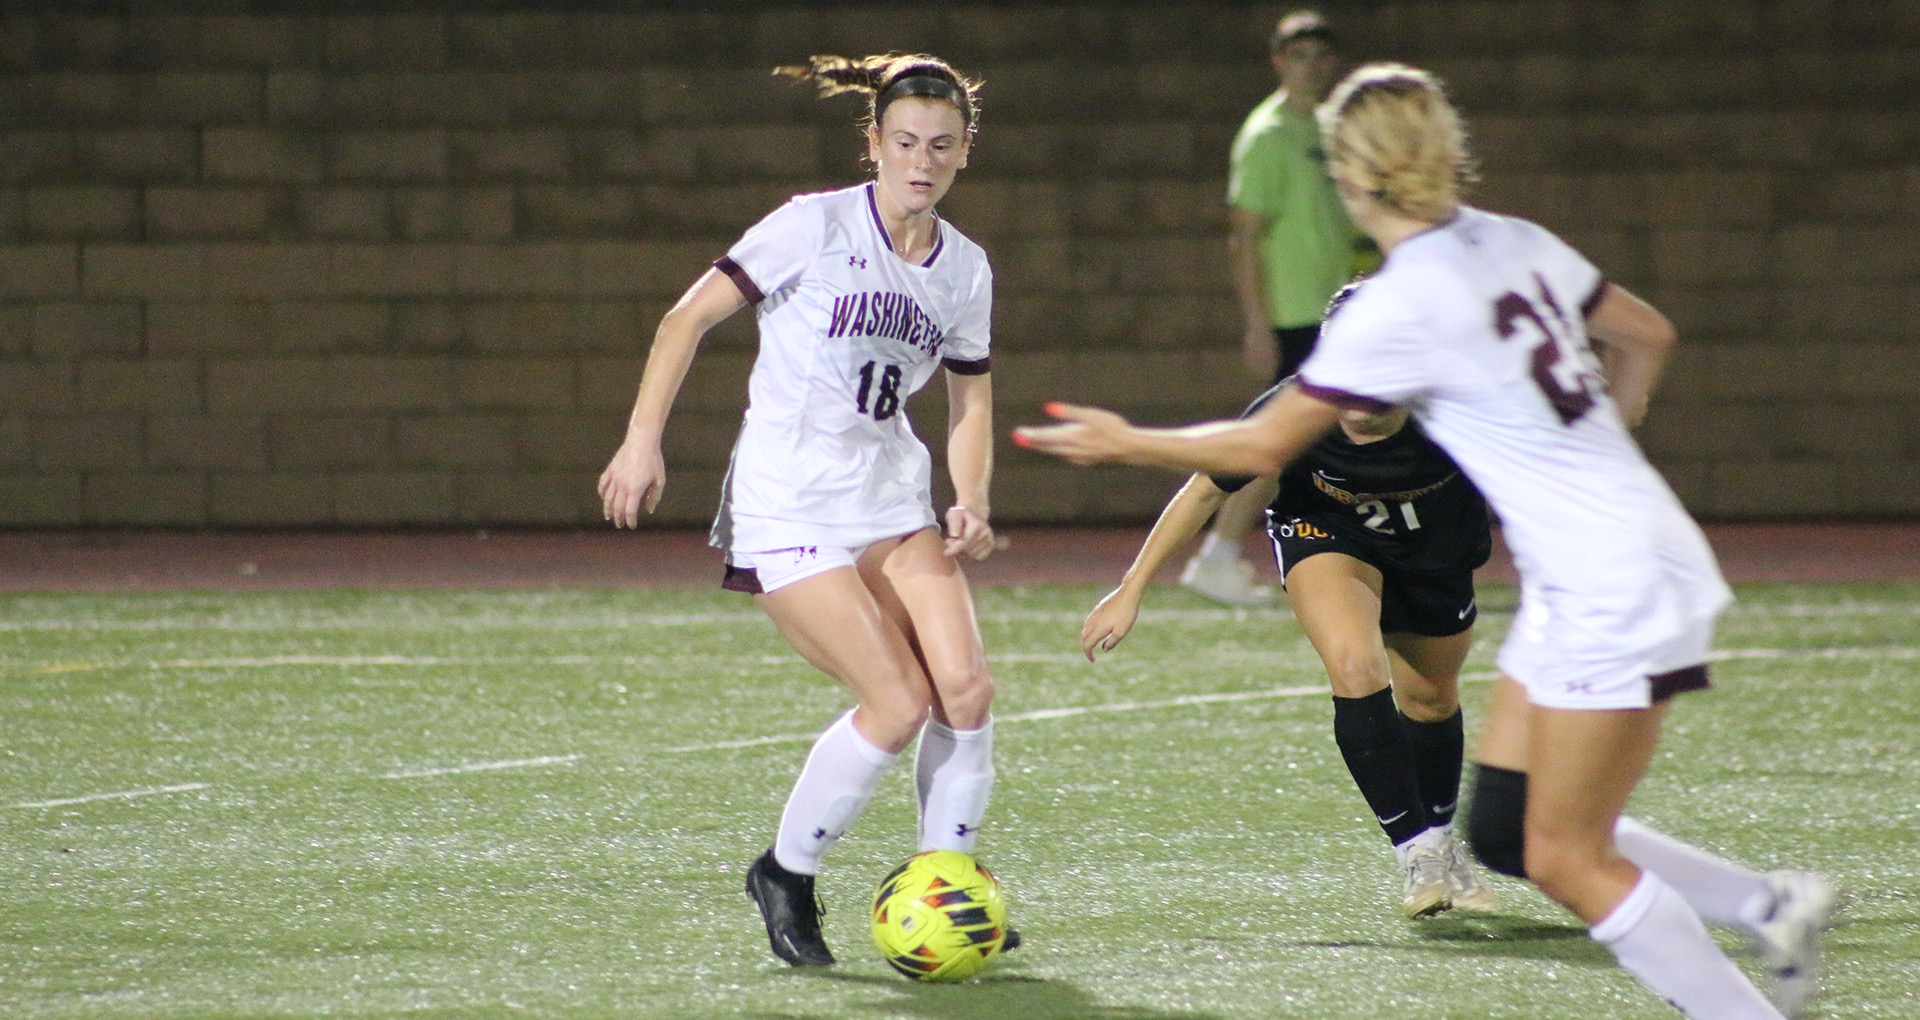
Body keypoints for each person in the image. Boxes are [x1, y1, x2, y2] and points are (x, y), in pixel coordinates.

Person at [1016, 63, 1835, 1017]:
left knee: (1564, 855)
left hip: (1604, 573)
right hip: (1619, 553)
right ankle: (1770, 904)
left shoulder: (1402, 303)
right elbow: (1647, 334)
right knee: (1506, 827)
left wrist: (1123, 441)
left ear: (1349, 180)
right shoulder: (1514, 241)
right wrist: (1597, 443)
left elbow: (1257, 444)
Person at [599, 53, 1010, 969]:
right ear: (873, 144)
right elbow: (685, 320)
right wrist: (642, 439)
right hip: (789, 502)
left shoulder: (965, 269)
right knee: (898, 702)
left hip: (892, 497)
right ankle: (785, 873)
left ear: (964, 154)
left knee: (967, 691)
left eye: (941, 146)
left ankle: (946, 883)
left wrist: (971, 499)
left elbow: (971, 397)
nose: (921, 160)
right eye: (904, 142)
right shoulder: (812, 225)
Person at [1082, 362, 1503, 919]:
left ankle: (1441, 840)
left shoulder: (1462, 408)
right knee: (1355, 669)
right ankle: (1416, 854)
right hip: (1325, 530)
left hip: (1437, 557)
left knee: (1429, 699)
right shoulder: (1297, 411)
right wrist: (1131, 587)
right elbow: (1205, 489)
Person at [1180, 10, 1365, 606]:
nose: (1312, 64)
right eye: (1299, 54)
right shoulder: (1268, 135)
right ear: (1279, 61)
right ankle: (1219, 553)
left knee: (1312, 440)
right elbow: (1245, 235)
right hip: (1296, 313)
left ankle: (1228, 554)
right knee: (1278, 442)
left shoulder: (1335, 130)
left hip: (1333, 310)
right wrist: (1257, 323)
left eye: (1321, 53)